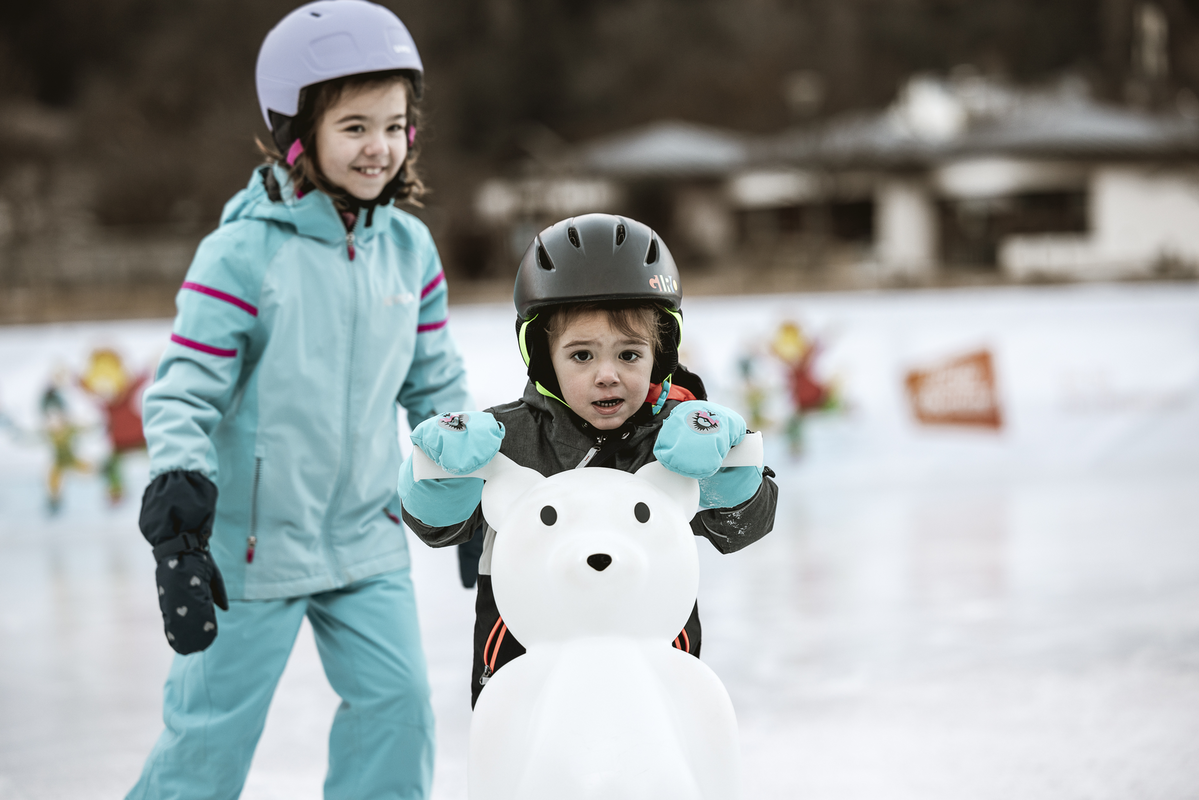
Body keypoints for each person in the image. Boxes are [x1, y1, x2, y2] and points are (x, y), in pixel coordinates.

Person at [127, 3, 471, 798]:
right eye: (354, 126)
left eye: (394, 124)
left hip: (364, 538)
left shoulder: (408, 248)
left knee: (399, 709)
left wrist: (468, 480)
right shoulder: (242, 255)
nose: (379, 147)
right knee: (207, 744)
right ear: (297, 131)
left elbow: (435, 383)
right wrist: (180, 521)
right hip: (249, 552)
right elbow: (183, 392)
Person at [399, 213, 778, 708]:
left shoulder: (677, 437)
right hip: (526, 685)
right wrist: (438, 482)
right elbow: (437, 529)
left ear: (660, 354)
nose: (607, 375)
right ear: (542, 356)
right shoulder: (504, 438)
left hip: (656, 684)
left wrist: (730, 476)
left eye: (629, 354)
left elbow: (746, 526)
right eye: (581, 356)